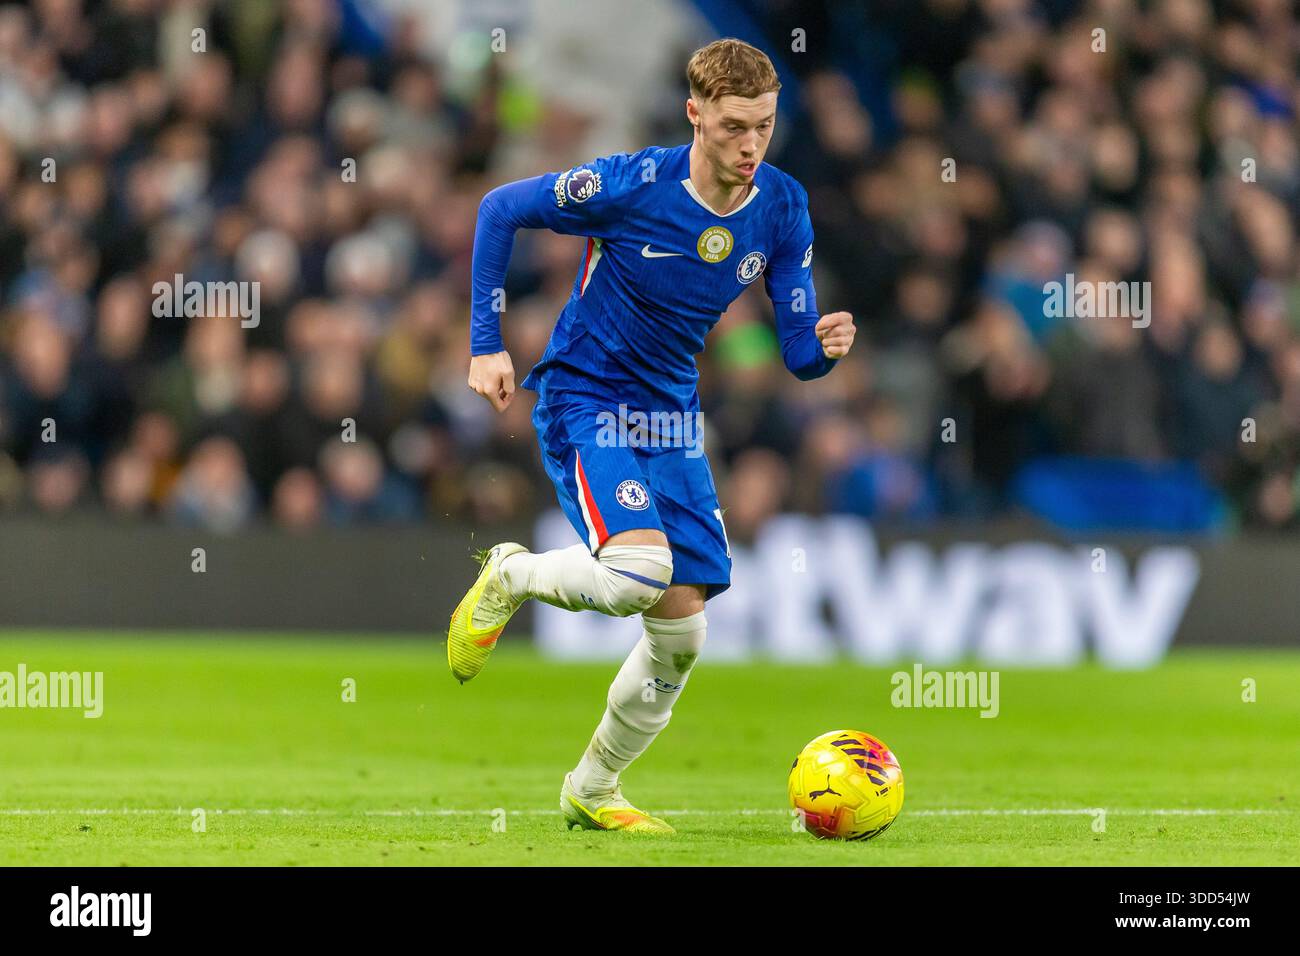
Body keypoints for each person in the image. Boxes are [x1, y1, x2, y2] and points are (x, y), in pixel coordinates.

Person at [449, 38, 856, 833]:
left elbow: (799, 350)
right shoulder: (630, 183)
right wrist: (486, 344)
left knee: (681, 634)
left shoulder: (782, 205)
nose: (751, 145)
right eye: (735, 126)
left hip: (671, 419)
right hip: (586, 396)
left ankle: (592, 789)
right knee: (637, 570)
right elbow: (501, 209)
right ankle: (512, 575)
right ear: (694, 113)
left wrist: (825, 350)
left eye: (765, 126)